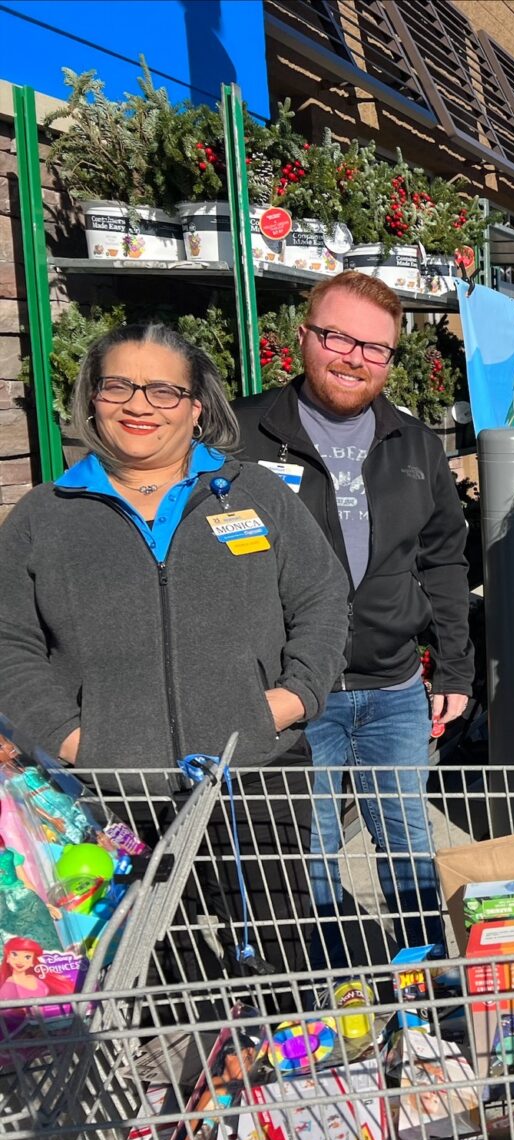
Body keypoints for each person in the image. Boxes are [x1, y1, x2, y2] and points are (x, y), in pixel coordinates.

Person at [0, 324, 349, 975]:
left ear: (196, 405)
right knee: (149, 968)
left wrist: (290, 696)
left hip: (254, 773)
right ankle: (174, 1078)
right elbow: (9, 645)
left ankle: (277, 1066)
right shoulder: (45, 516)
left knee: (278, 954)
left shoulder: (254, 492)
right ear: (93, 398)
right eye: (118, 385)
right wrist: (78, 739)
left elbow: (323, 597)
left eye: (163, 388)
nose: (138, 404)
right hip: (112, 791)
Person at [232, 272, 473, 963]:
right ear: (305, 336)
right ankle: (336, 982)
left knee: (406, 846)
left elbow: (444, 562)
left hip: (393, 689)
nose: (353, 357)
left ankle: (425, 977)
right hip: (289, 696)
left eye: (374, 347)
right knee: (308, 850)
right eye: (338, 336)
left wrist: (453, 663)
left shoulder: (416, 446)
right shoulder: (241, 436)